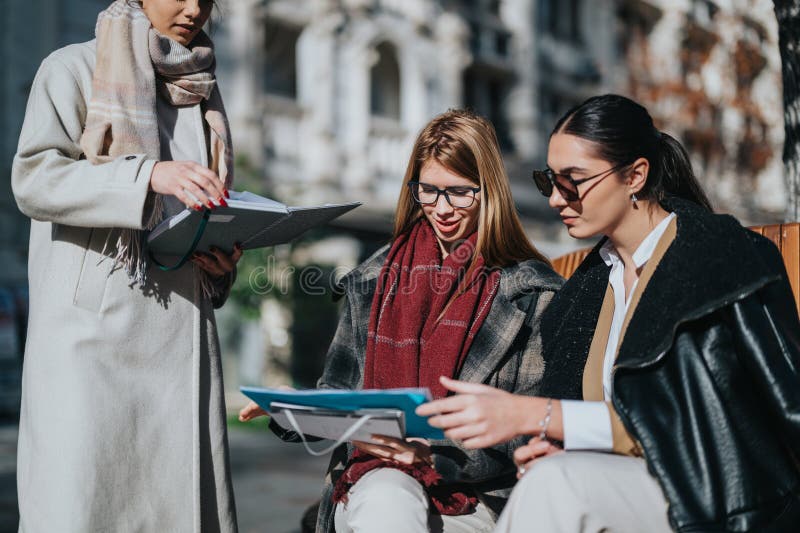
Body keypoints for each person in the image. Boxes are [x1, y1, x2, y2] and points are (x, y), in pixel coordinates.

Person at [417, 94, 800, 532]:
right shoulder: (582, 294)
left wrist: (536, 416)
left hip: (722, 498)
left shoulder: (723, 260)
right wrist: (565, 444)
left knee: (556, 486)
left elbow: (720, 422)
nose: (557, 199)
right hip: (628, 491)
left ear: (635, 175)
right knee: (548, 479)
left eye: (574, 181)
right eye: (550, 182)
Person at [239, 109, 566, 532]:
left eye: (459, 192)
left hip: (480, 497)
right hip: (376, 478)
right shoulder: (372, 279)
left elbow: (531, 429)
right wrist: (292, 408)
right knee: (388, 492)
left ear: (489, 191)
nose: (441, 208)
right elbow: (340, 394)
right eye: (428, 191)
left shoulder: (532, 291)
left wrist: (431, 454)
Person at [11, 1, 241, 531]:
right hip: (92, 346)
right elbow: (34, 180)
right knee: (87, 506)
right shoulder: (71, 67)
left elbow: (199, 204)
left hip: (183, 337)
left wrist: (221, 256)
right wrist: (146, 175)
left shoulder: (202, 91)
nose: (194, 8)